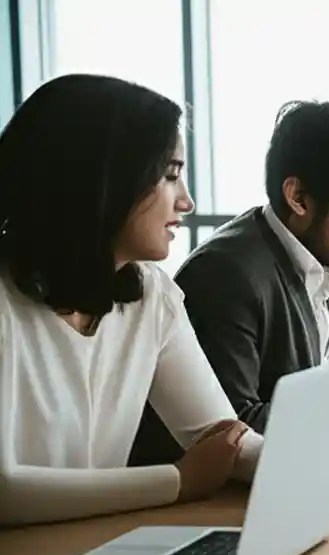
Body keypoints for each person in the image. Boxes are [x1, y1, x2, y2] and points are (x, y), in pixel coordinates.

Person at [0, 75, 260, 526]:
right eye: (170, 175)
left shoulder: (150, 294)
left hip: (91, 550)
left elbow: (219, 437)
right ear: (102, 178)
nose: (187, 201)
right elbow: (4, 491)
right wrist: (175, 481)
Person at [131, 99, 329, 464]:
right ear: (298, 197)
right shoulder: (224, 275)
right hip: (216, 502)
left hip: (310, 481)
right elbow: (233, 426)